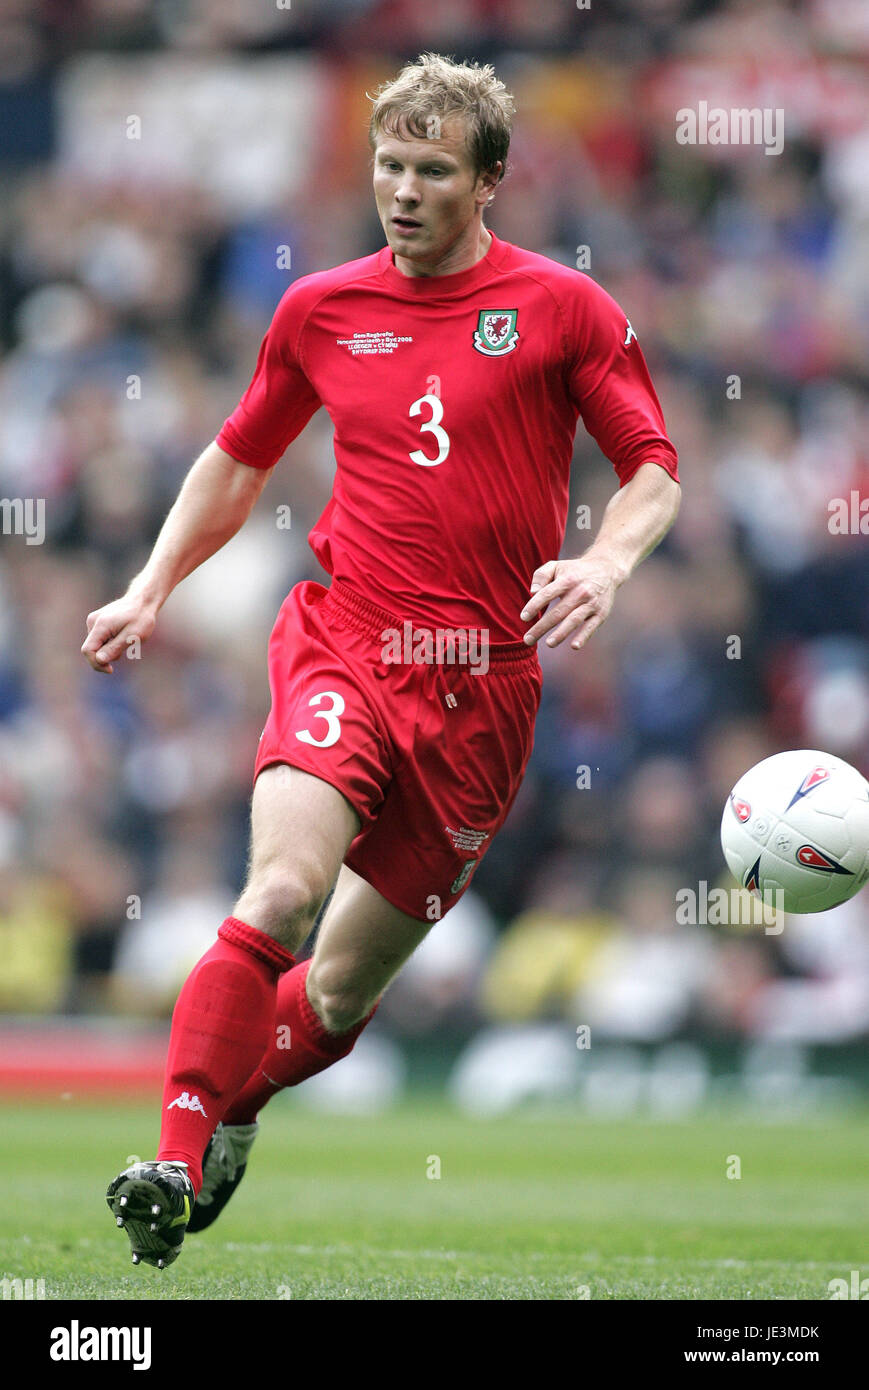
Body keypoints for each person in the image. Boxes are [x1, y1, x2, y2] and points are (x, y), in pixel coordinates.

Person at [83, 53, 680, 1269]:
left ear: (490, 182)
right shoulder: (319, 309)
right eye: (386, 166)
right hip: (346, 644)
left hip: (484, 691)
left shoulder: (564, 307)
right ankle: (171, 1160)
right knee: (279, 895)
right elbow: (237, 462)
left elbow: (652, 469)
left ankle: (236, 1104)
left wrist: (604, 565)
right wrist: (151, 584)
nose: (401, 192)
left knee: (341, 997)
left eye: (430, 171)